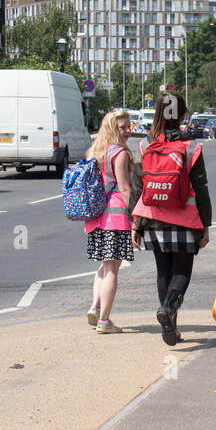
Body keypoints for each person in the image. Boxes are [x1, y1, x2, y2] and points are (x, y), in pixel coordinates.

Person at [130, 91, 211, 346]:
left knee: (163, 270)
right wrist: (205, 225)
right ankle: (167, 310)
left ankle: (170, 324)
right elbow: (201, 188)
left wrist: (136, 223)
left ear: (156, 113)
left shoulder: (145, 145)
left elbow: (136, 188)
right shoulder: (192, 147)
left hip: (152, 218)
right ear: (184, 115)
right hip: (185, 219)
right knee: (182, 271)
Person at [84, 110, 134, 334]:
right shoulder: (120, 154)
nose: (128, 130)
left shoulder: (95, 152)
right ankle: (104, 321)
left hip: (95, 217)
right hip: (115, 217)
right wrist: (136, 218)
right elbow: (124, 189)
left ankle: (95, 307)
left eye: (128, 126)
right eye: (122, 127)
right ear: (113, 129)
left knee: (105, 265)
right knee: (113, 267)